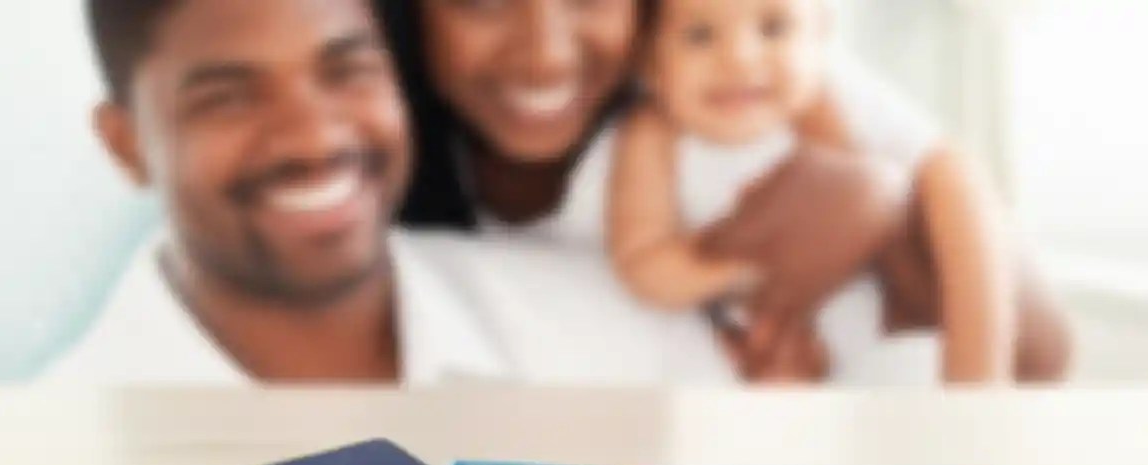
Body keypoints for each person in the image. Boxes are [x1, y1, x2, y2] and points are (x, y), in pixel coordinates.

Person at [378, 0, 1072, 383]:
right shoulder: (369, 171)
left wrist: (877, 206)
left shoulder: (740, 74)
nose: (546, 51)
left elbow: (1044, 351)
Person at [49, 0, 738, 385]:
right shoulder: (35, 461)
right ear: (126, 144)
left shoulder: (622, 330)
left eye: (347, 70)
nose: (314, 139)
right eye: (229, 98)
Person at [605, 0, 1012, 383]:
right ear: (650, 61)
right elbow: (641, 258)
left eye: (773, 28)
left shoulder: (813, 108)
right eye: (699, 36)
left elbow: (858, 213)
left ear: (819, 32)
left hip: (872, 332)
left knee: (913, 367)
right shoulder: (653, 135)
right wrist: (737, 272)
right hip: (746, 344)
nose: (740, 59)